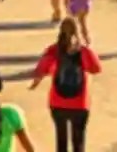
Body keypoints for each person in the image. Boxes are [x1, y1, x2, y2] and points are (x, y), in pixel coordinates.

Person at [30, 18, 102, 152]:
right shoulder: (83, 51)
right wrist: (87, 48)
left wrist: (35, 83)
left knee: (61, 141)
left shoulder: (53, 50)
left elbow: (40, 69)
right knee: (78, 142)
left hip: (57, 102)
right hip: (80, 102)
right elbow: (96, 68)